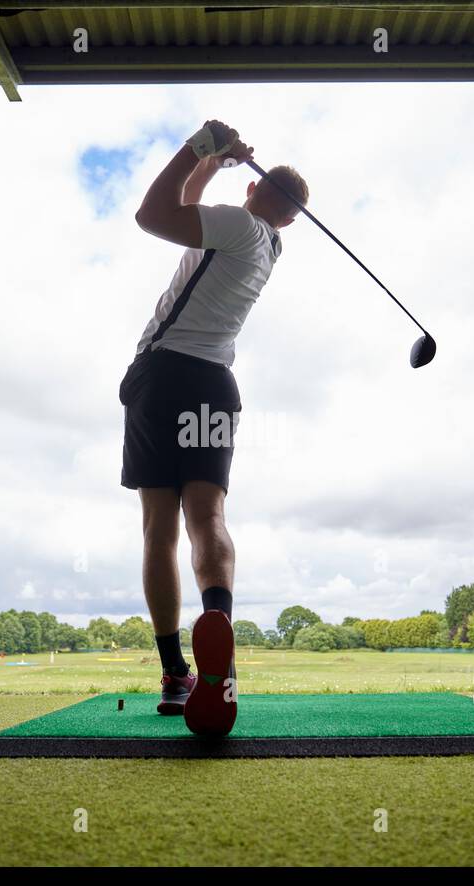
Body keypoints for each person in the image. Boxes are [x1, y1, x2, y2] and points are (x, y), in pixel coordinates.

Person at [120, 120, 308, 735]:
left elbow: (153, 214)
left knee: (159, 531)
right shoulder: (267, 245)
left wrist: (199, 146)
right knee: (208, 519)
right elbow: (189, 206)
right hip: (213, 388)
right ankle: (218, 625)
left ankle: (177, 671)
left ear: (257, 195)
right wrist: (219, 162)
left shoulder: (238, 224)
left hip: (164, 377)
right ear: (291, 218)